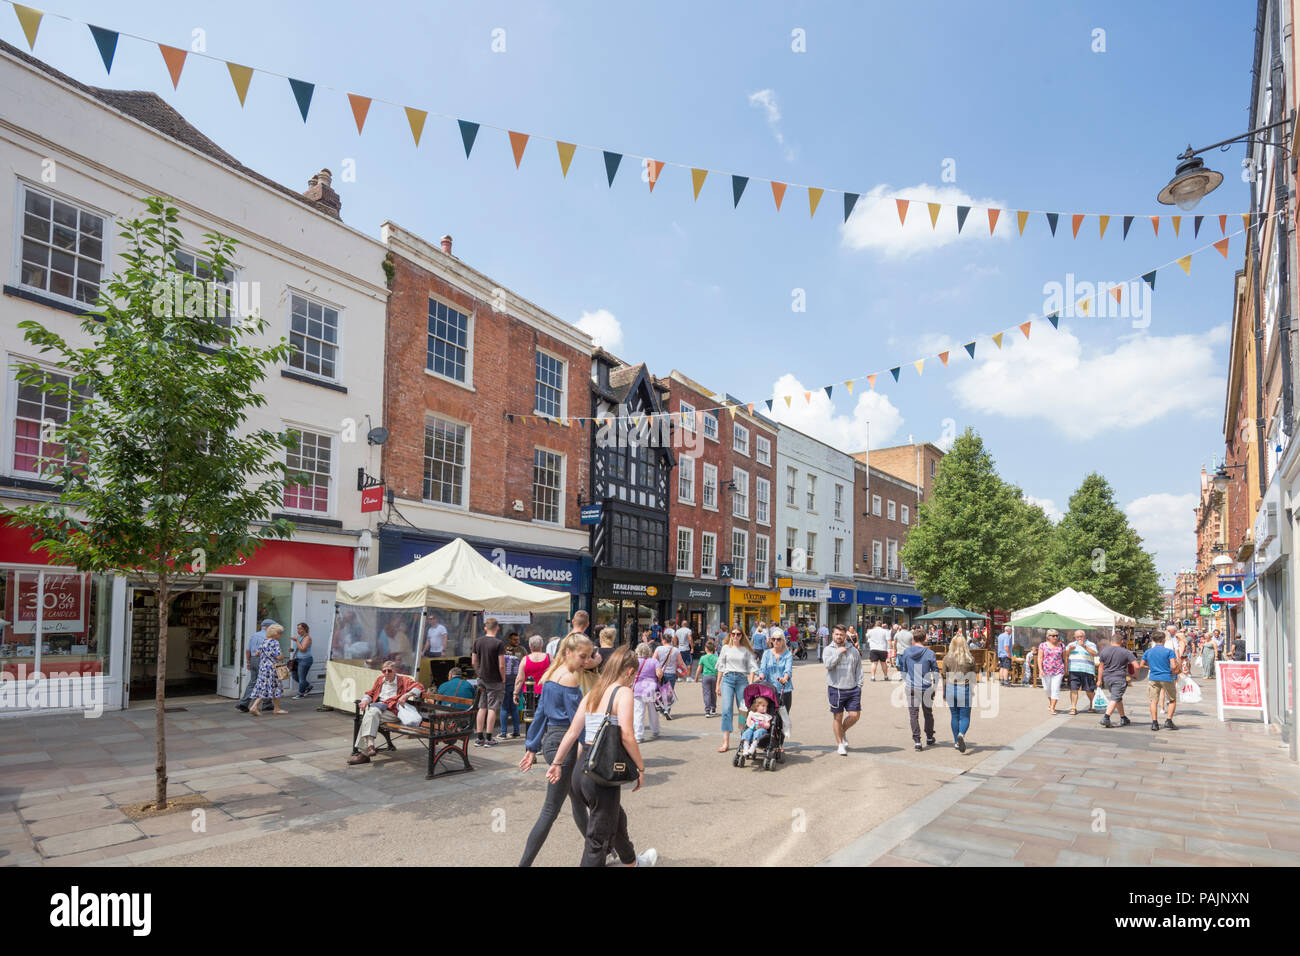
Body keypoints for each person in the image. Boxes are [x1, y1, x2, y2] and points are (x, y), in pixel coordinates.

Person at [546, 645, 657, 867]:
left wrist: (557, 762)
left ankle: (632, 862)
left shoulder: (593, 692)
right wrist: (641, 768)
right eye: (633, 675)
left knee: (615, 819)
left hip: (582, 768)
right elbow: (626, 735)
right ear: (628, 672)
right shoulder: (623, 692)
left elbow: (573, 732)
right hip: (602, 770)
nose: (632, 680)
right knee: (597, 840)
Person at [517, 632, 600, 867]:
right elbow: (577, 723)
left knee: (576, 802)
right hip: (566, 746)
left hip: (552, 742)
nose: (585, 661)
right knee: (551, 810)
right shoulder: (571, 679)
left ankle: (602, 851)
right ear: (568, 652)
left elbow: (541, 713)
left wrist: (532, 747)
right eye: (582, 656)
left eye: (588, 657)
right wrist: (589, 750)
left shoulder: (551, 674)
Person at [348, 660, 424, 763]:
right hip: (379, 709)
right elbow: (371, 693)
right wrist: (365, 700)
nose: (387, 673)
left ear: (395, 671)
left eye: (389, 671)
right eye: (384, 671)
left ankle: (365, 753)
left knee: (369, 716)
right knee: (371, 714)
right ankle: (369, 748)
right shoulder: (380, 680)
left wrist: (406, 695)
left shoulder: (404, 680)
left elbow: (420, 687)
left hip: (394, 711)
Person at [715, 628, 758, 753]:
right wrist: (717, 684)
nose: (735, 636)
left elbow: (752, 668)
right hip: (727, 679)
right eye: (733, 634)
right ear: (730, 635)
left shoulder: (746, 650)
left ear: (741, 635)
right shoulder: (725, 648)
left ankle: (745, 739)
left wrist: (750, 684)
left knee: (743, 710)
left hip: (741, 680)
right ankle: (725, 742)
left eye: (738, 634)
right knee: (726, 710)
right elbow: (721, 667)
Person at [823, 624, 862, 756]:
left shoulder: (853, 650)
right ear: (833, 635)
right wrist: (838, 652)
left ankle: (842, 731)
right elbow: (828, 665)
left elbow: (859, 668)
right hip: (836, 688)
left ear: (846, 635)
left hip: (853, 688)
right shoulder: (828, 649)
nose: (839, 636)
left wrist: (859, 684)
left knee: (855, 715)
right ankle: (840, 744)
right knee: (838, 716)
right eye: (836, 634)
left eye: (841, 634)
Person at [899, 626, 939, 751]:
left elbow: (903, 669)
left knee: (913, 714)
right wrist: (935, 686)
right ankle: (929, 736)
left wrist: (908, 681)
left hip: (911, 686)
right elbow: (935, 671)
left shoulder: (906, 652)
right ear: (925, 638)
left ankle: (917, 741)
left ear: (913, 639)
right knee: (928, 713)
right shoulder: (929, 653)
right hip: (926, 687)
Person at [472, 618, 507, 747]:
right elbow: (502, 665)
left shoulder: (477, 641)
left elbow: (473, 661)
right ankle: (489, 738)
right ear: (497, 628)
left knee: (482, 707)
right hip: (495, 679)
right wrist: (503, 678)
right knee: (492, 708)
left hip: (482, 678)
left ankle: (479, 737)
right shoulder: (499, 643)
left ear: (485, 628)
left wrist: (478, 673)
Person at [941, 632, 976, 753]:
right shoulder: (970, 659)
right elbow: (972, 678)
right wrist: (971, 691)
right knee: (965, 716)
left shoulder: (947, 658)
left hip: (950, 687)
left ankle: (956, 741)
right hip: (964, 687)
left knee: (954, 716)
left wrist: (943, 691)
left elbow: (944, 676)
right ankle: (961, 734)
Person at [248, 624, 289, 716]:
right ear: (275, 634)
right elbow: (278, 656)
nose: (281, 635)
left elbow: (257, 653)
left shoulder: (264, 641)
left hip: (263, 667)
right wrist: (283, 655)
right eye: (280, 633)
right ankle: (254, 706)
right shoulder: (275, 642)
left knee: (267, 686)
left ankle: (276, 708)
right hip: (272, 668)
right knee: (272, 687)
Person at [1097, 637, 1137, 728]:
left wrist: (1099, 680)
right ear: (1122, 641)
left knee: (1117, 697)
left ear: (1111, 641)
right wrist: (1135, 674)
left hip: (1107, 678)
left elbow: (1101, 667)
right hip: (1119, 678)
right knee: (1115, 698)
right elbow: (1136, 666)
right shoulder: (1126, 652)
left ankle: (1123, 717)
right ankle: (1106, 718)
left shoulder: (1104, 651)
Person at [237, 618, 276, 712]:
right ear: (268, 627)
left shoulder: (254, 635)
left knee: (253, 682)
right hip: (263, 660)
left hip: (253, 659)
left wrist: (248, 662)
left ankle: (244, 703)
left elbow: (248, 650)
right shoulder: (269, 637)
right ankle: (266, 704)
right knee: (266, 681)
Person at [1145, 631, 1181, 731]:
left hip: (1153, 677)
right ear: (1164, 640)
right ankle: (1168, 721)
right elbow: (1173, 666)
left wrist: (1151, 667)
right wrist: (1172, 670)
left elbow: (1141, 664)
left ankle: (1154, 723)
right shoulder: (1169, 652)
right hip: (1166, 677)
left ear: (1153, 640)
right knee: (1172, 699)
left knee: (1153, 701)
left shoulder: (1148, 651)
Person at [498, 632, 526, 739]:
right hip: (508, 682)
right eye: (515, 640)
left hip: (515, 682)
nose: (517, 642)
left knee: (512, 708)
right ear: (509, 640)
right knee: (506, 707)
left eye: (518, 639)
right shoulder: (504, 650)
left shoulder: (522, 650)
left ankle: (514, 732)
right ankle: (505, 732)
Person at [1066, 629, 1100, 715]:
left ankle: (1092, 705)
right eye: (1077, 637)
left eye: (1081, 636)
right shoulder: (1071, 644)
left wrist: (1084, 646)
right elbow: (1065, 655)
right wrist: (1069, 650)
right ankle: (1073, 708)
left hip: (1087, 670)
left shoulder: (1091, 644)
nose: (1079, 638)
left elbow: (1094, 653)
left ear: (1084, 636)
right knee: (1073, 689)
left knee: (1089, 690)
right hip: (1073, 669)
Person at [632, 643, 661, 742]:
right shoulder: (654, 661)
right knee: (653, 711)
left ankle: (638, 735)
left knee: (638, 712)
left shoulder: (635, 661)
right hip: (650, 689)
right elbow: (659, 673)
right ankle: (655, 730)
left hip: (638, 689)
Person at [516, 636, 550, 713]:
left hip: (528, 694)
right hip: (545, 693)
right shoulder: (549, 658)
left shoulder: (525, 659)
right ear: (542, 645)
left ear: (530, 646)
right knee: (544, 717)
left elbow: (520, 679)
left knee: (529, 717)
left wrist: (515, 693)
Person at [1037, 629, 1067, 715]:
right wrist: (1040, 669)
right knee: (1047, 689)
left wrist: (1066, 669)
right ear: (1048, 637)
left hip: (1058, 670)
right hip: (1046, 670)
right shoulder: (1043, 645)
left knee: (1055, 688)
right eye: (1053, 636)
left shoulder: (1061, 645)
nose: (1056, 637)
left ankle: (1053, 707)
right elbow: (1040, 658)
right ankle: (1051, 703)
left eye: (1057, 636)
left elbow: (1065, 658)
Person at [653, 632, 684, 717]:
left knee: (659, 690)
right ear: (670, 640)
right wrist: (683, 670)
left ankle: (661, 707)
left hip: (660, 673)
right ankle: (666, 710)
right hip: (671, 673)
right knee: (669, 691)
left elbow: (653, 660)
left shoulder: (658, 649)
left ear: (663, 640)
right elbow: (680, 663)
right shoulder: (675, 650)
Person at [695, 638, 719, 717]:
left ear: (706, 649)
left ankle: (707, 711)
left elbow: (699, 668)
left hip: (705, 676)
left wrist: (696, 676)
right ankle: (714, 708)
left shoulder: (703, 658)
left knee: (706, 693)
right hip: (714, 676)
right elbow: (719, 669)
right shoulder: (716, 658)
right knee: (713, 693)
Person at [290, 622, 314, 699]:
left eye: (300, 628)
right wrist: (292, 649)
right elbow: (298, 648)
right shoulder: (299, 637)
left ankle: (300, 694)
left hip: (305, 660)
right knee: (294, 676)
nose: (298, 630)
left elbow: (303, 649)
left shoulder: (307, 638)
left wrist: (296, 641)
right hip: (298, 659)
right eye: (298, 628)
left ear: (305, 629)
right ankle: (308, 686)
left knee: (301, 678)